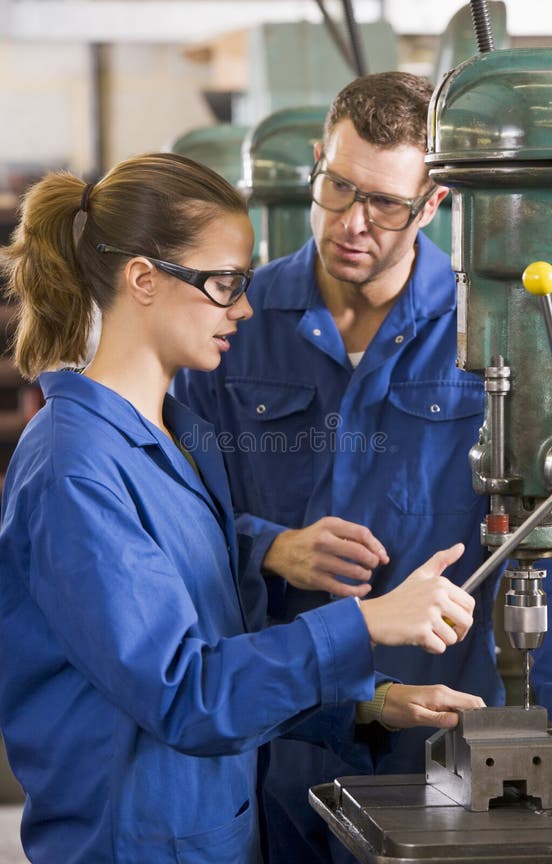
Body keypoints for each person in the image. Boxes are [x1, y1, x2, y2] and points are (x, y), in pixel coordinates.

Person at [0, 152, 485, 864]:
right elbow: (185, 692)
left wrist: (363, 705)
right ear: (143, 280)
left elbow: (222, 659)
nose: (246, 309)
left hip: (206, 830)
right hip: (134, 845)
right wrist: (367, 621)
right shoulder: (75, 468)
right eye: (224, 283)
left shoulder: (180, 440)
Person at [171, 73, 506, 863]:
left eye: (385, 203)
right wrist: (267, 546)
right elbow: (170, 511)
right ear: (319, 162)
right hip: (271, 730)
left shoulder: (482, 334)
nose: (352, 223)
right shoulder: (233, 326)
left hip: (439, 736)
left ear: (434, 203)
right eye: (338, 186)